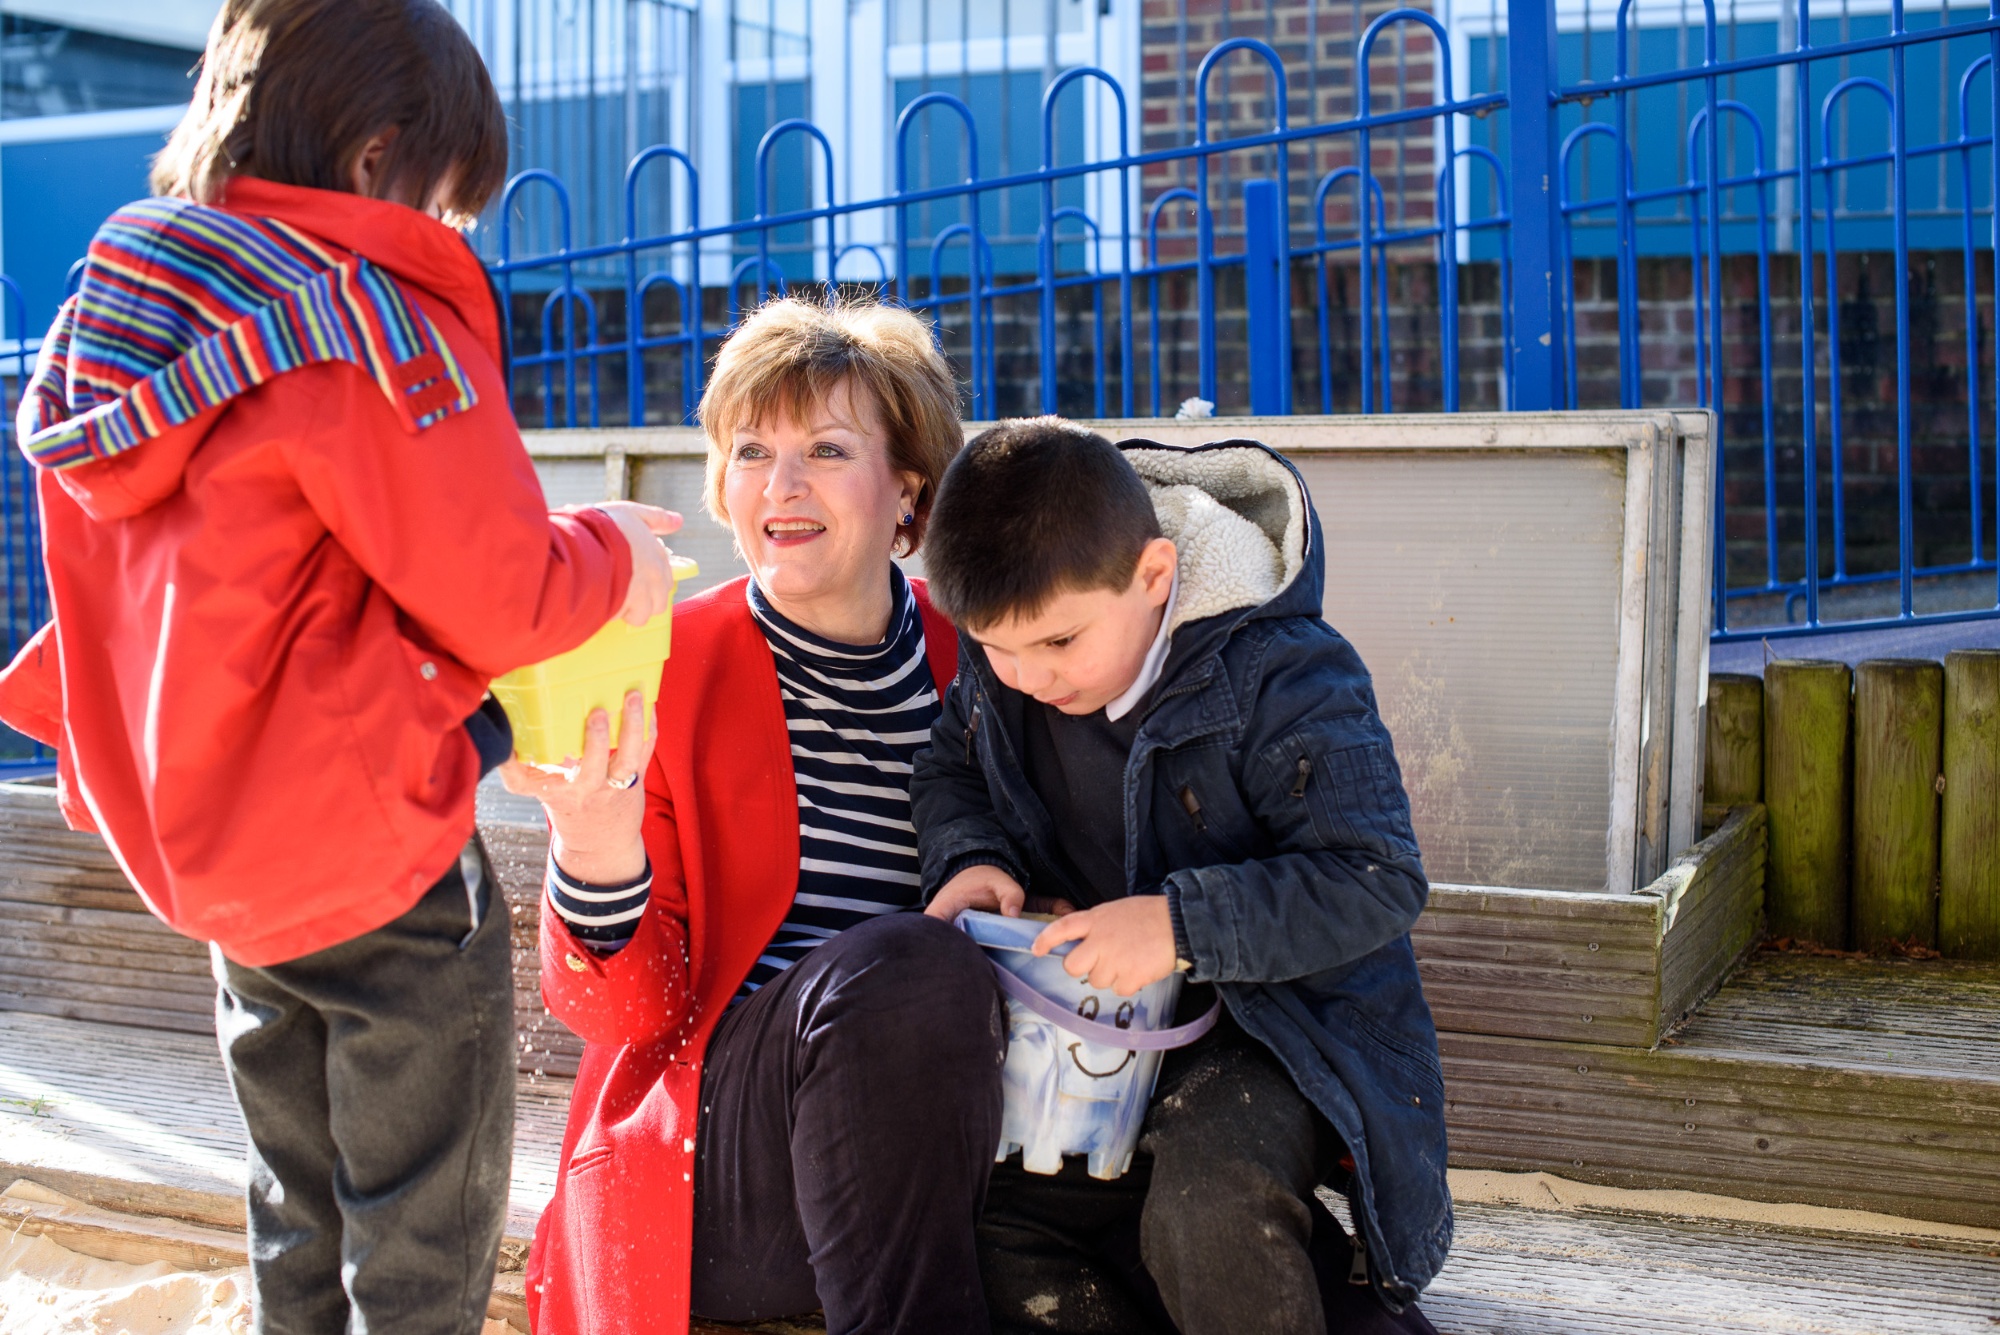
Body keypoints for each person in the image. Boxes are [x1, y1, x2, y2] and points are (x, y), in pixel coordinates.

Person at [0, 3, 683, 1330]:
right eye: (446, 196)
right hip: (374, 859)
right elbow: (506, 593)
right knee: (420, 1240)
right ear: (379, 158)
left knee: (294, 1205)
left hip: (212, 846)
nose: (450, 230)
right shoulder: (355, 328)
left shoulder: (127, 306)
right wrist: (615, 555)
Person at [510, 297, 1007, 1335]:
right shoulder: (661, 663)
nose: (780, 485)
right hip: (717, 1174)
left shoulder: (987, 666)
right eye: (750, 452)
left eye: (825, 449)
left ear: (905, 490)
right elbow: (629, 1019)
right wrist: (594, 854)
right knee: (913, 966)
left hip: (934, 1150)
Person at [915, 420, 1451, 1335]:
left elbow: (1376, 876)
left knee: (1211, 1197)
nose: (1024, 675)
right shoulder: (1010, 656)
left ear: (1155, 575)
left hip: (1278, 1037)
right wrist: (973, 858)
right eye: (995, 648)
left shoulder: (1288, 674)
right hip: (1096, 1040)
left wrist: (1177, 926)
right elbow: (950, 767)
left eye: (1057, 642)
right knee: (985, 1217)